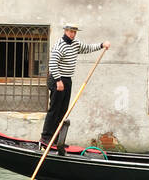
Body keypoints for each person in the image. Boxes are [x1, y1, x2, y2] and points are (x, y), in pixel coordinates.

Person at [41, 22, 109, 150]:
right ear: (65, 31)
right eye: (71, 31)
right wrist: (58, 80)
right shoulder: (59, 45)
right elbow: (53, 63)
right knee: (55, 109)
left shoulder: (76, 44)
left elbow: (88, 48)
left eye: (75, 32)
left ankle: (56, 139)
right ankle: (45, 137)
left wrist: (101, 45)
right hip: (57, 79)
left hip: (67, 80)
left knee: (63, 110)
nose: (73, 34)